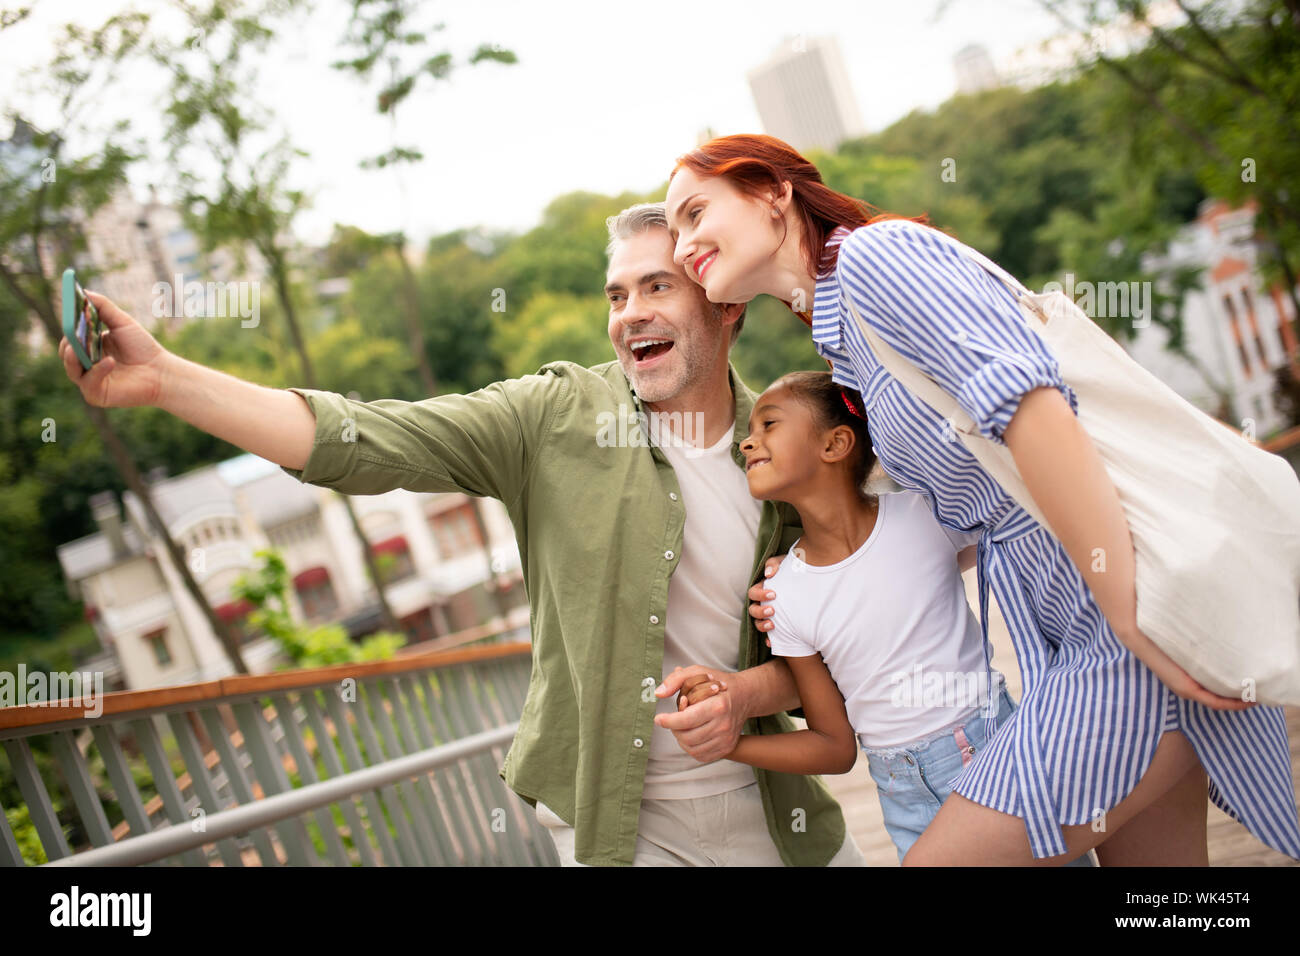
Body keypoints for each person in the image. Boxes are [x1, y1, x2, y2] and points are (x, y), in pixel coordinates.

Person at [58, 200, 866, 867]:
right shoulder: (553, 418)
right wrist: (166, 380)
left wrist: (749, 694)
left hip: (774, 808)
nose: (630, 315)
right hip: (619, 829)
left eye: (658, 287)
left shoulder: (790, 453)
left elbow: (834, 648)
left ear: (724, 304)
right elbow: (363, 438)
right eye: (617, 295)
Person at [663, 133, 1300, 866]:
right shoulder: (843, 339)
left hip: (1118, 622)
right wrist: (825, 575)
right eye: (673, 230)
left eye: (694, 212)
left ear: (773, 193)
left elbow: (1031, 406)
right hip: (1073, 629)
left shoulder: (876, 260)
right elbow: (977, 505)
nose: (682, 244)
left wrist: (1132, 612)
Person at [680, 369, 1095, 865]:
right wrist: (729, 746)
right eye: (750, 432)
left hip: (999, 751)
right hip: (906, 797)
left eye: (768, 424)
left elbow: (1014, 502)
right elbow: (835, 747)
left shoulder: (925, 515)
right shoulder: (783, 596)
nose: (748, 443)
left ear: (835, 444)